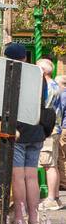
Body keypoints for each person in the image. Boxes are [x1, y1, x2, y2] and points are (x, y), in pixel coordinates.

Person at [0, 41, 46, 224]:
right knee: (32, 177)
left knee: (18, 177)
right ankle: (34, 220)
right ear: (25, 57)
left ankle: (18, 218)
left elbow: (4, 106)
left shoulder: (8, 75)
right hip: (36, 131)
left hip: (17, 131)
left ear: (7, 58)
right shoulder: (38, 76)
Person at [38, 57, 61, 211]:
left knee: (48, 164)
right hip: (56, 128)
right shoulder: (56, 85)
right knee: (54, 163)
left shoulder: (47, 87)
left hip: (48, 129)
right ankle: (56, 197)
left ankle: (51, 199)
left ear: (43, 71)